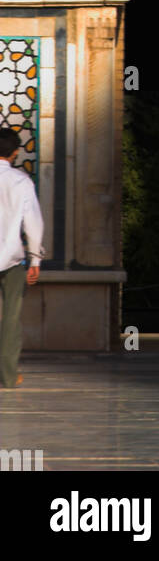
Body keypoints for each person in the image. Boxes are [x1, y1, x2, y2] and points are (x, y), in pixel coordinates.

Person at [0, 128, 44, 388]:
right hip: (12, 259)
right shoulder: (21, 181)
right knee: (11, 318)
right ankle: (6, 375)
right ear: (15, 152)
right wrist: (35, 259)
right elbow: (33, 223)